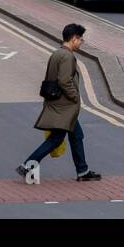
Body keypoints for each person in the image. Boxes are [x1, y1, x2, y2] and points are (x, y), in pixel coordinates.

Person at [18, 23, 101, 182]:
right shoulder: (67, 56)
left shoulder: (56, 53)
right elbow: (64, 81)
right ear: (74, 38)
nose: (81, 43)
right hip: (64, 106)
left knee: (77, 135)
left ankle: (83, 170)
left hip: (59, 105)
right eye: (81, 40)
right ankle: (28, 164)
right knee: (56, 139)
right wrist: (75, 97)